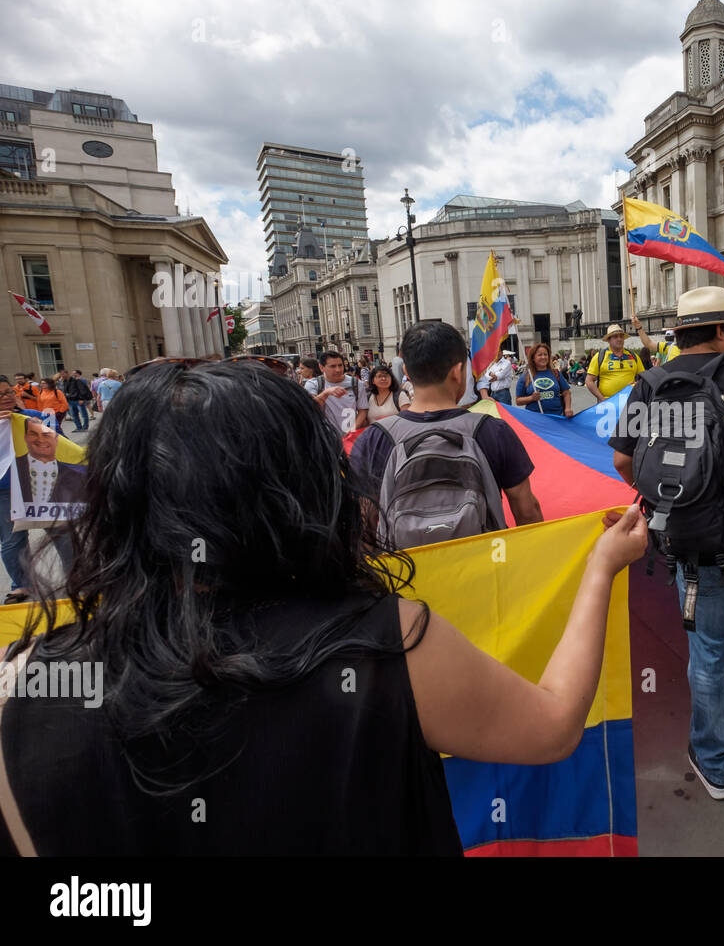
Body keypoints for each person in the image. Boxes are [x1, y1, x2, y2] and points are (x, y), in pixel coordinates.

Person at [0, 359, 648, 855]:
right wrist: (599, 570)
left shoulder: (20, 686)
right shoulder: (389, 640)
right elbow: (553, 724)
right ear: (303, 489)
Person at [609, 287, 724, 802]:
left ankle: (714, 765)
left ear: (679, 333)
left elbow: (624, 462)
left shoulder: (650, 384)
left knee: (707, 656)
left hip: (691, 545)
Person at [351, 321, 543, 545]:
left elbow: (363, 524)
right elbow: (527, 511)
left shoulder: (373, 439)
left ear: (406, 371)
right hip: (486, 569)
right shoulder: (493, 430)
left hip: (407, 575)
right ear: (458, 371)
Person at [0, 376, 45, 604]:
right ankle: (22, 585)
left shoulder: (28, 418)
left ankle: (80, 578)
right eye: (0, 395)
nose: (6, 398)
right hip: (4, 490)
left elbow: (60, 442)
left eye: (8, 392)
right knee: (12, 539)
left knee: (62, 532)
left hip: (37, 484)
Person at [304, 351, 368, 435]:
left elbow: (363, 409)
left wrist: (352, 430)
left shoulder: (356, 383)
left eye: (340, 365)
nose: (338, 370)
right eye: (332, 366)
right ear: (321, 367)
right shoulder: (313, 384)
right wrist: (326, 393)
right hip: (326, 438)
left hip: (351, 438)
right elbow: (310, 409)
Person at [585, 324, 645, 403]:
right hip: (607, 403)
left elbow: (644, 377)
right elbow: (589, 381)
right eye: (615, 336)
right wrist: (601, 398)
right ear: (609, 340)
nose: (619, 339)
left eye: (621, 336)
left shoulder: (633, 356)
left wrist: (638, 384)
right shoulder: (599, 356)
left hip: (630, 402)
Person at [515, 344, 573, 418]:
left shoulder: (555, 373)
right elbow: (518, 401)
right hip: (535, 419)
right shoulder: (526, 376)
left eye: (545, 354)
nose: (543, 357)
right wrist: (531, 398)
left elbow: (566, 392)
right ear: (533, 358)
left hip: (557, 417)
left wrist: (568, 408)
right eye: (540, 355)